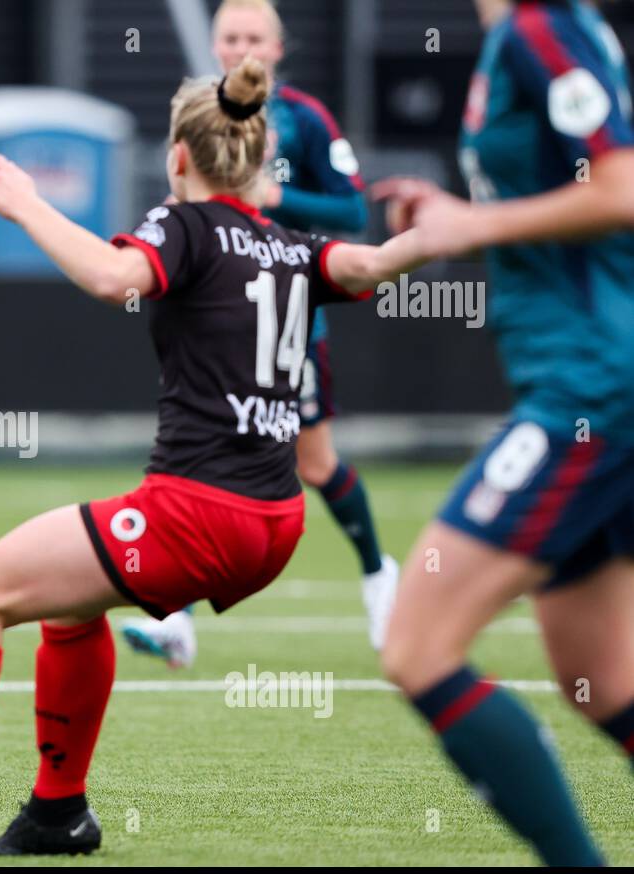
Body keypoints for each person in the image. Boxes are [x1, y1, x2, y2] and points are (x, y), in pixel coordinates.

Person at [0, 57, 434, 863]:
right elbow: (367, 265)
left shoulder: (186, 224)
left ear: (180, 159)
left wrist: (26, 205)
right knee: (70, 606)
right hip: (276, 518)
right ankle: (59, 815)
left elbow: (111, 276)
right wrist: (440, 228)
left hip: (200, 512)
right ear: (259, 163)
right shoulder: (290, 245)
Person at [372, 0, 634, 866]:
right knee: (605, 682)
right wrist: (455, 210)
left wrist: (470, 224)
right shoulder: (522, 34)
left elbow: (623, 185)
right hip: (593, 383)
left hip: (594, 387)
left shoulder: (540, 25)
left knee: (416, 644)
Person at [120, 0, 397, 666]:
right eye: (230, 36)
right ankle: (176, 618)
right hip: (214, 315)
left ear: (279, 48)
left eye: (254, 37)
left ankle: (378, 576)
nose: (242, 47)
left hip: (285, 319)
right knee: (201, 451)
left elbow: (354, 208)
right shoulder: (198, 108)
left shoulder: (302, 118)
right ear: (214, 45)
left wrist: (276, 200)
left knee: (314, 462)